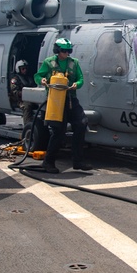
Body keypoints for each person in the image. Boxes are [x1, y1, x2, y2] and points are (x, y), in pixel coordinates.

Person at [34, 37, 91, 173]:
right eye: (64, 51)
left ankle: (78, 161)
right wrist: (41, 80)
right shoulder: (49, 63)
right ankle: (48, 162)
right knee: (58, 132)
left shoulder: (74, 63)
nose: (67, 54)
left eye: (68, 51)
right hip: (56, 101)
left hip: (71, 99)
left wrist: (76, 84)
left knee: (81, 123)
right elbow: (37, 75)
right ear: (58, 51)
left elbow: (81, 79)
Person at [9, 59, 38, 130]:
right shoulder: (15, 80)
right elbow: (14, 92)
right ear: (18, 69)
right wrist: (24, 93)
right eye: (23, 69)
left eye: (26, 68)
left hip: (32, 99)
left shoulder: (29, 78)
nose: (25, 70)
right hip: (21, 100)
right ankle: (27, 127)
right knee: (27, 106)